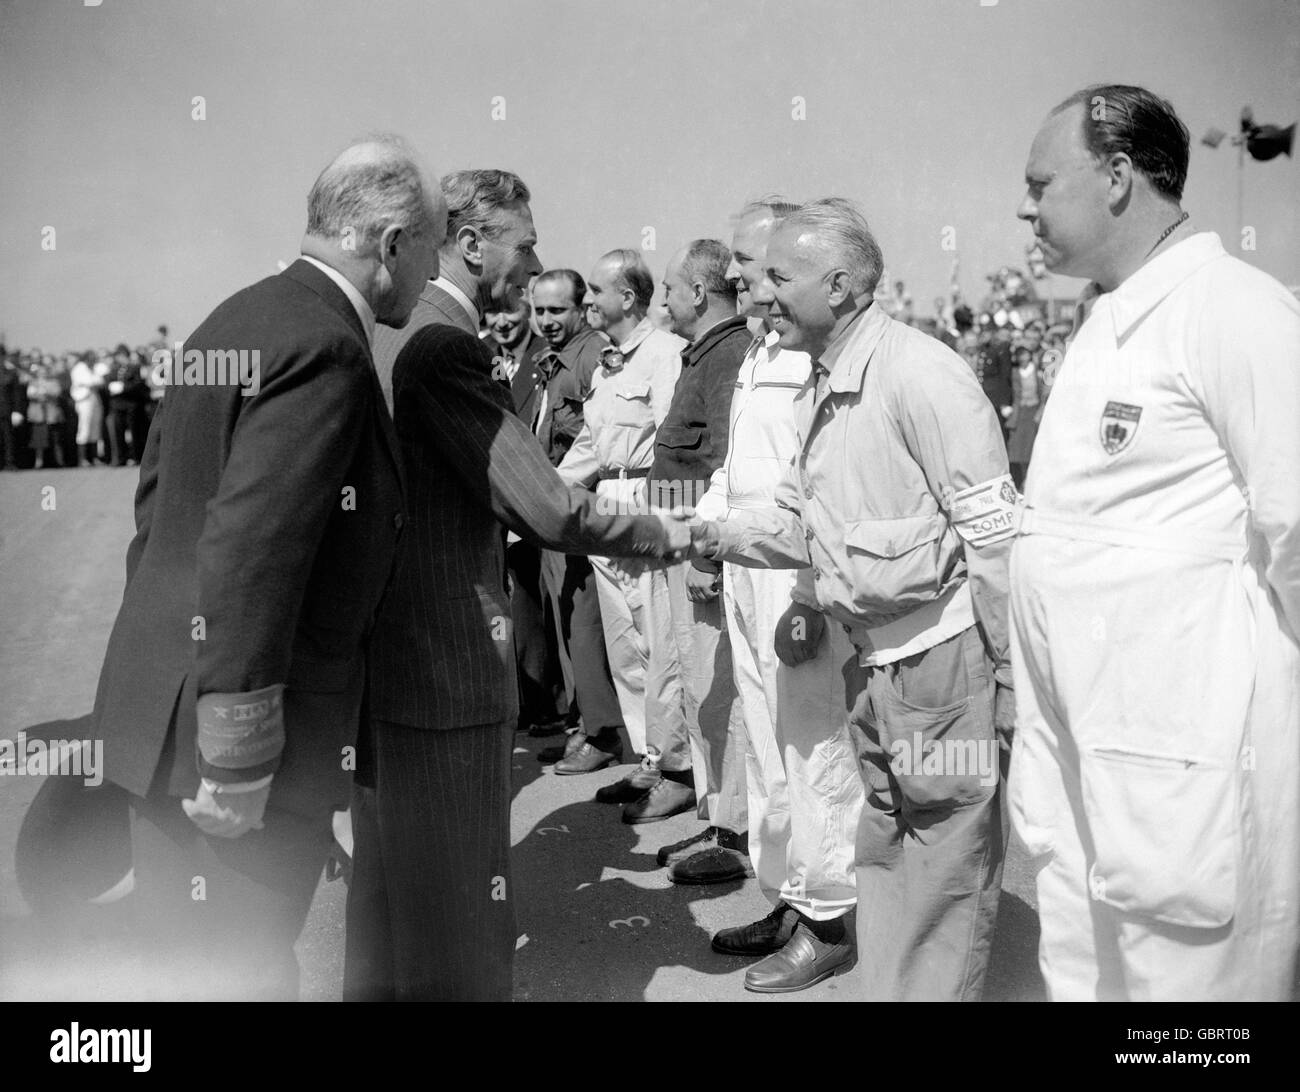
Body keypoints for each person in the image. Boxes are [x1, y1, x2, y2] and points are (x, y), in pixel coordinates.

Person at [85, 134, 444, 1000]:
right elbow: (254, 550)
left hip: (164, 721)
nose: (432, 273)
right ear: (390, 243)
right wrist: (239, 754)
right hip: (233, 745)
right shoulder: (325, 347)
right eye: (431, 248)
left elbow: (159, 514)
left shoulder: (237, 315)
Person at [351, 169, 694, 1002]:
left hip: (390, 662)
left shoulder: (394, 328)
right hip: (445, 666)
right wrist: (671, 531)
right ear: (471, 244)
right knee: (463, 915)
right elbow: (544, 504)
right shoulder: (442, 344)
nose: (538, 256)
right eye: (527, 240)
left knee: (392, 906)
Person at [1010, 84, 1300, 1001]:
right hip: (1095, 756)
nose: (1025, 207)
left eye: (1042, 182)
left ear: (1120, 178)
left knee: (1192, 1016)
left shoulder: (1233, 309)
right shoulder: (1108, 320)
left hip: (1190, 763)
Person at [694, 197, 1015, 1001]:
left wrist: (1010, 681)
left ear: (837, 286)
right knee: (887, 848)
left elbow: (996, 537)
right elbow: (804, 525)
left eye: (778, 275)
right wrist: (694, 536)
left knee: (944, 858)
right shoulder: (822, 383)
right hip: (874, 669)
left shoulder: (920, 371)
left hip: (942, 668)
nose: (758, 291)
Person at [694, 198, 865, 991]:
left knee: (813, 750)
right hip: (743, 570)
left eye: (754, 264)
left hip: (791, 581)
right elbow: (738, 468)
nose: (737, 275)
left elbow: (818, 495)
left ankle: (829, 919)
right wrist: (704, 529)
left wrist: (803, 598)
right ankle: (788, 897)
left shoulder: (815, 359)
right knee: (764, 747)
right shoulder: (764, 349)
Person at [626, 239, 752, 887]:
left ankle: (735, 834)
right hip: (682, 550)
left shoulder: (728, 355)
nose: (665, 299)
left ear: (699, 293)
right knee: (697, 686)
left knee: (716, 691)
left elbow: (728, 466)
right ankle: (720, 817)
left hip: (704, 555)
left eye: (672, 289)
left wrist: (709, 553)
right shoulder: (707, 353)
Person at [557, 249, 687, 785]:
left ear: (627, 298)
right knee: (625, 642)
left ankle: (675, 766)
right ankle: (647, 758)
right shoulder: (610, 361)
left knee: (660, 639)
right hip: (608, 502)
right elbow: (591, 445)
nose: (588, 300)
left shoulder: (666, 354)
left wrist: (661, 515)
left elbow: (672, 442)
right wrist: (541, 498)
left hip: (646, 501)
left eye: (595, 290)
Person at [529, 268, 629, 774]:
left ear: (581, 310)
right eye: (538, 310)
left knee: (584, 623)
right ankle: (585, 725)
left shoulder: (593, 356)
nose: (545, 320)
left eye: (556, 310)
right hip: (557, 509)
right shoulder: (558, 361)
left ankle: (605, 733)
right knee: (564, 619)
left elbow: (598, 437)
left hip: (580, 508)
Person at [1006, 343, 1042, 488]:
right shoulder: (1015, 372)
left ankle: (1031, 479)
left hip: (1034, 409)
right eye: (1020, 355)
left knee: (1032, 446)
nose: (1023, 357)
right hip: (1020, 411)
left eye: (1025, 354)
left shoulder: (1037, 371)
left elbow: (1043, 392)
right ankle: (1022, 479)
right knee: (1018, 448)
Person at [70, 353, 105, 466]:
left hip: (94, 398)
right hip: (84, 400)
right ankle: (83, 458)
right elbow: (91, 382)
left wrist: (95, 380)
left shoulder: (92, 368)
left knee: (95, 428)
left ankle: (94, 457)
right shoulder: (79, 368)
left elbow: (100, 381)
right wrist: (95, 381)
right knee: (84, 429)